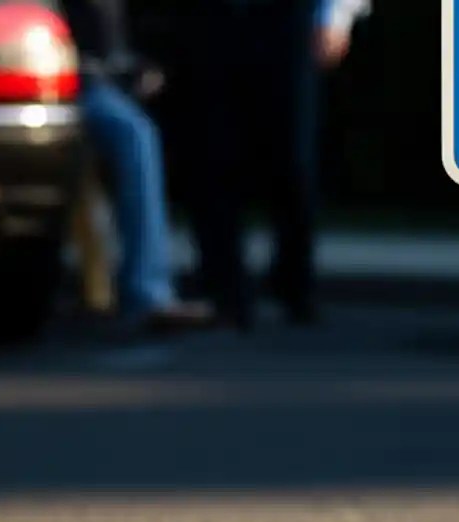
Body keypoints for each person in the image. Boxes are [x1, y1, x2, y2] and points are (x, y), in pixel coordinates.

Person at [182, 0, 371, 329]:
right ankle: (225, 287)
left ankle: (294, 283)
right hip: (215, 19)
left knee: (293, 160)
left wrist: (336, 17)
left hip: (287, 19)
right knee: (213, 157)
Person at [63, 0, 213, 331]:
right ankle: (148, 292)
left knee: (143, 133)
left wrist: (142, 65)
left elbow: (125, 43)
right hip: (61, 86)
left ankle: (141, 291)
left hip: (107, 84)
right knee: (136, 135)